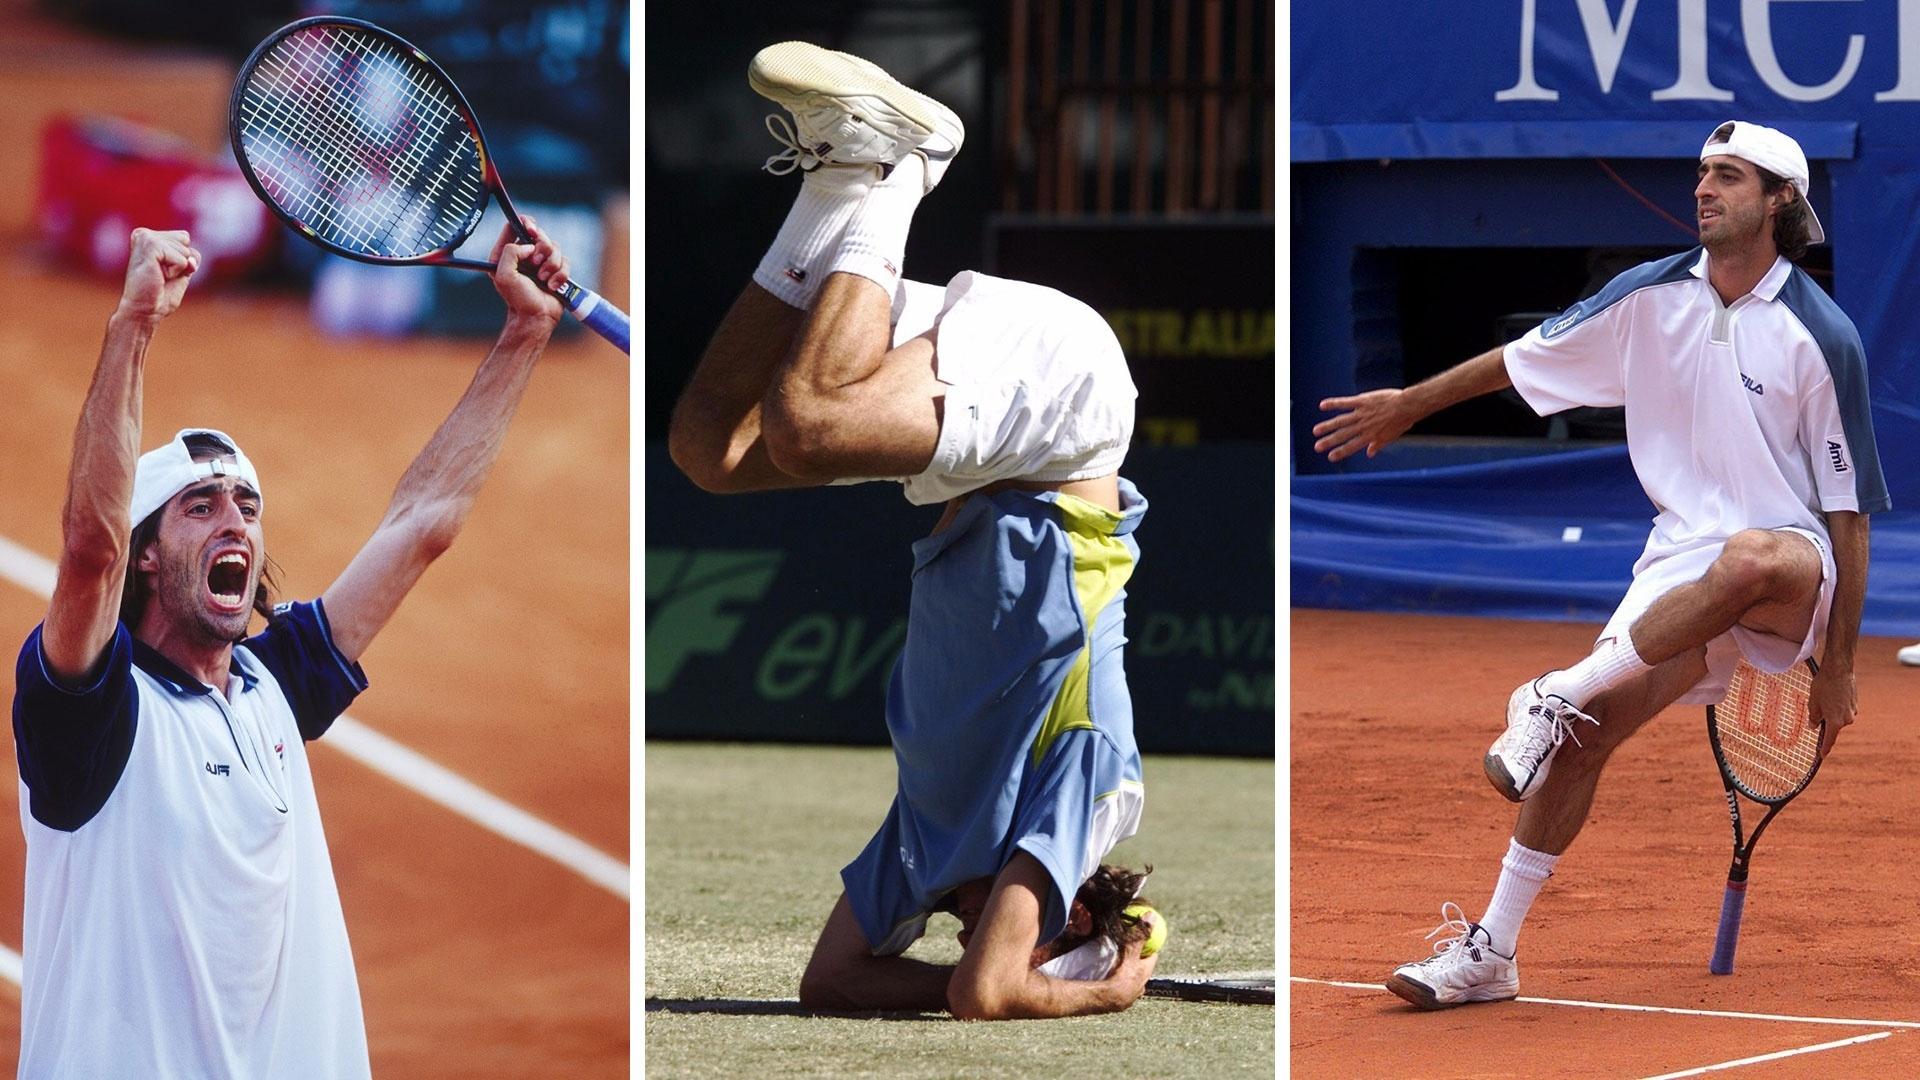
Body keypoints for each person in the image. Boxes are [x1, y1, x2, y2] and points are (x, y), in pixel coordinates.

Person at [1312, 120, 1887, 1009]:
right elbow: (1521, 358)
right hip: (1675, 565)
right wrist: (1408, 406)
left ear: (1781, 201)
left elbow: (1848, 517)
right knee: (1579, 746)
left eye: (1728, 177)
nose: (1703, 188)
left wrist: (1840, 666)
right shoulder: (1645, 296)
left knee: (1745, 556)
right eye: (1701, 173)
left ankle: (1556, 689)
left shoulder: (1824, 337)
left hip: (1789, 565)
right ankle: (1491, 952)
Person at [13, 218, 574, 1075]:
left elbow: (422, 524)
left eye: (245, 504)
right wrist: (133, 327)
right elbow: (91, 548)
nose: (234, 517)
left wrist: (525, 331)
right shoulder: (93, 713)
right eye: (200, 506)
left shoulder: (275, 684)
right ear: (148, 555)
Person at [667, 41, 1157, 1019]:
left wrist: (961, 973)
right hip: (1064, 418)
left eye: (1004, 943)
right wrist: (1100, 995)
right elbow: (986, 996)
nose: (995, 935)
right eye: (1039, 941)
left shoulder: (928, 853)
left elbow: (832, 982)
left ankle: (846, 177)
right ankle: (918, 160)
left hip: (999, 445)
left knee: (707, 450)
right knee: (807, 428)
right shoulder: (1087, 806)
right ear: (1072, 912)